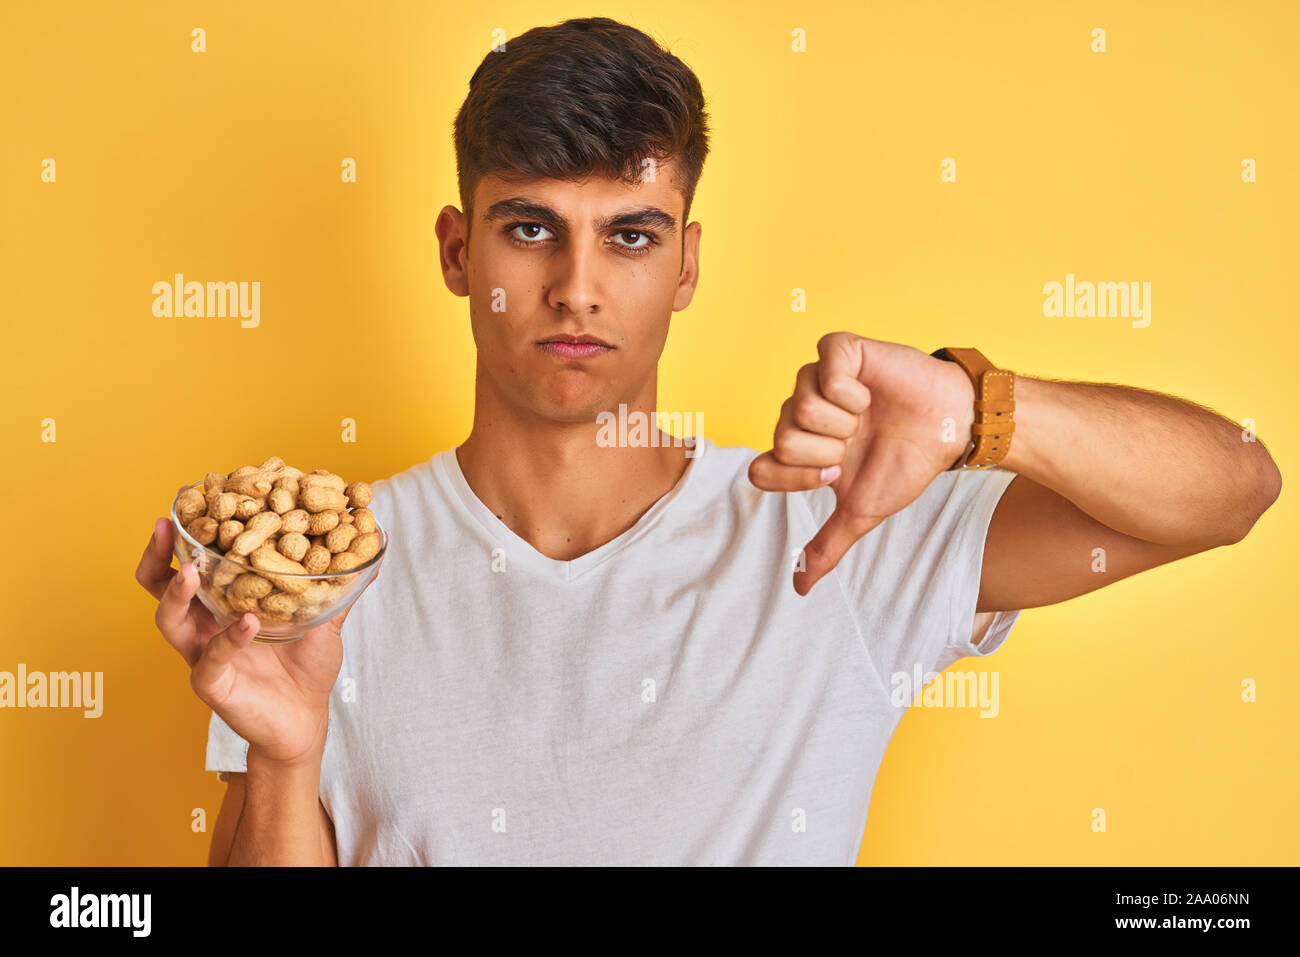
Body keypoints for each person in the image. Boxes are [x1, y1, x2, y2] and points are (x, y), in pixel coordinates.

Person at [135, 16, 1281, 866]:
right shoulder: (329, 575)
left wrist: (983, 409)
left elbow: (1232, 487)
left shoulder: (837, 529)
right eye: (530, 229)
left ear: (685, 265)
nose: (576, 289)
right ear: (456, 253)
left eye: (629, 237)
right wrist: (285, 759)